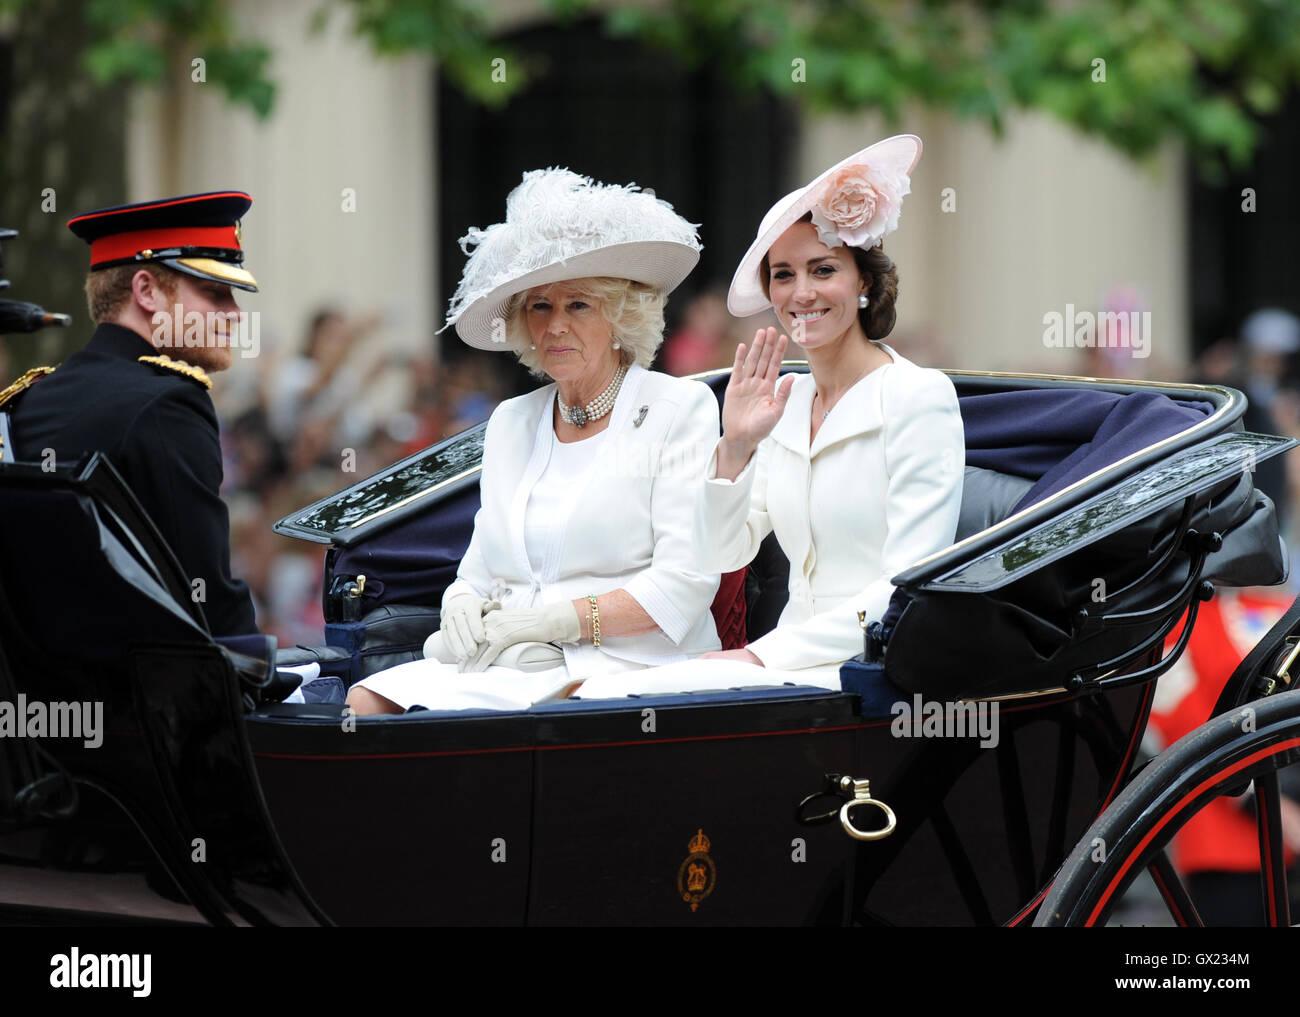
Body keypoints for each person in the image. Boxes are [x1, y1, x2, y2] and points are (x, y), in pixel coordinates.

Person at [579, 134, 964, 698]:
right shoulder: (785, 403)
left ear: (863, 282)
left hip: (869, 673)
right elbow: (721, 555)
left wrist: (761, 655)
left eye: (823, 269)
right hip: (783, 668)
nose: (801, 293)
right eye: (783, 275)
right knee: (596, 693)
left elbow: (904, 589)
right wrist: (734, 447)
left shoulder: (916, 397)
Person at [346, 169, 722, 715]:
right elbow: (477, 571)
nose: (554, 326)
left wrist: (561, 619)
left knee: (513, 721)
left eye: (578, 305)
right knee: (366, 702)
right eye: (540, 307)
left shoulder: (676, 409)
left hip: (629, 664)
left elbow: (684, 584)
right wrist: (461, 606)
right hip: (510, 658)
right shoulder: (511, 422)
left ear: (620, 317)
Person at [3, 191, 260, 637]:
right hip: (146, 702)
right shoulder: (168, 405)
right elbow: (212, 611)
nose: (235, 314)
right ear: (146, 291)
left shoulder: (26, 399)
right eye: (216, 292)